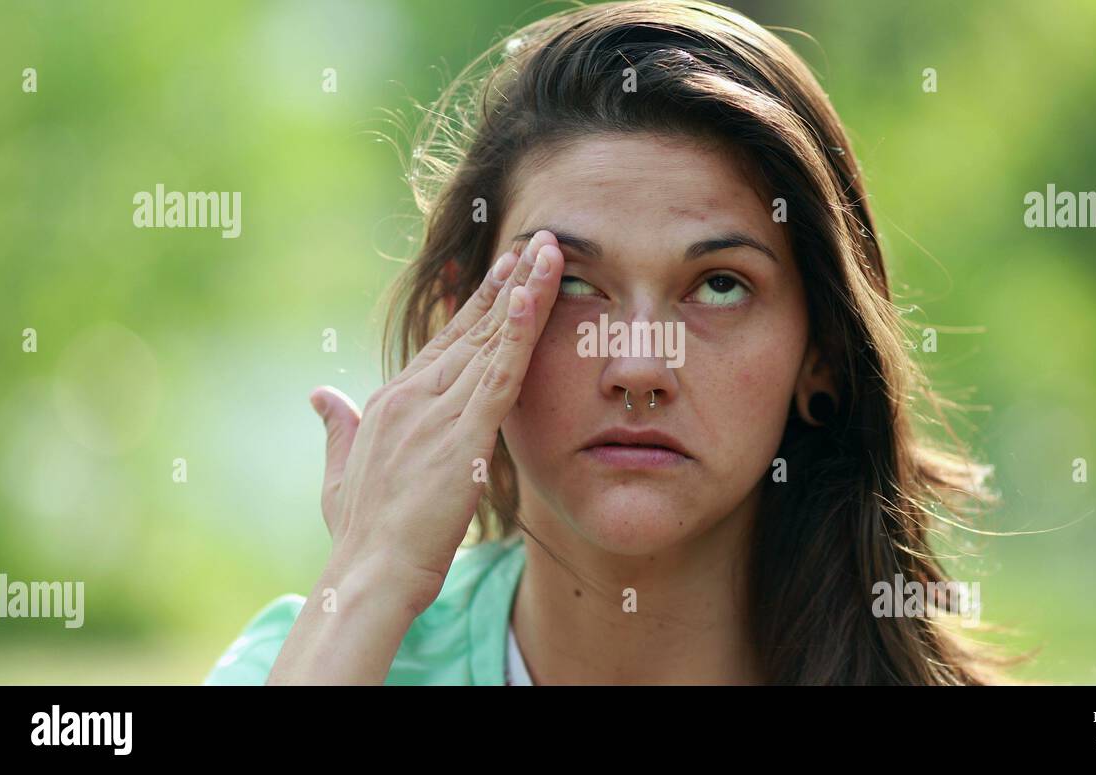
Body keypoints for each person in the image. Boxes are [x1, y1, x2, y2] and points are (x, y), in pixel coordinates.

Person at [204, 0, 1000, 686]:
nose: (639, 366)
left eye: (720, 285)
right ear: (460, 320)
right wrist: (367, 581)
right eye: (571, 286)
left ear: (819, 347)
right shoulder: (310, 658)